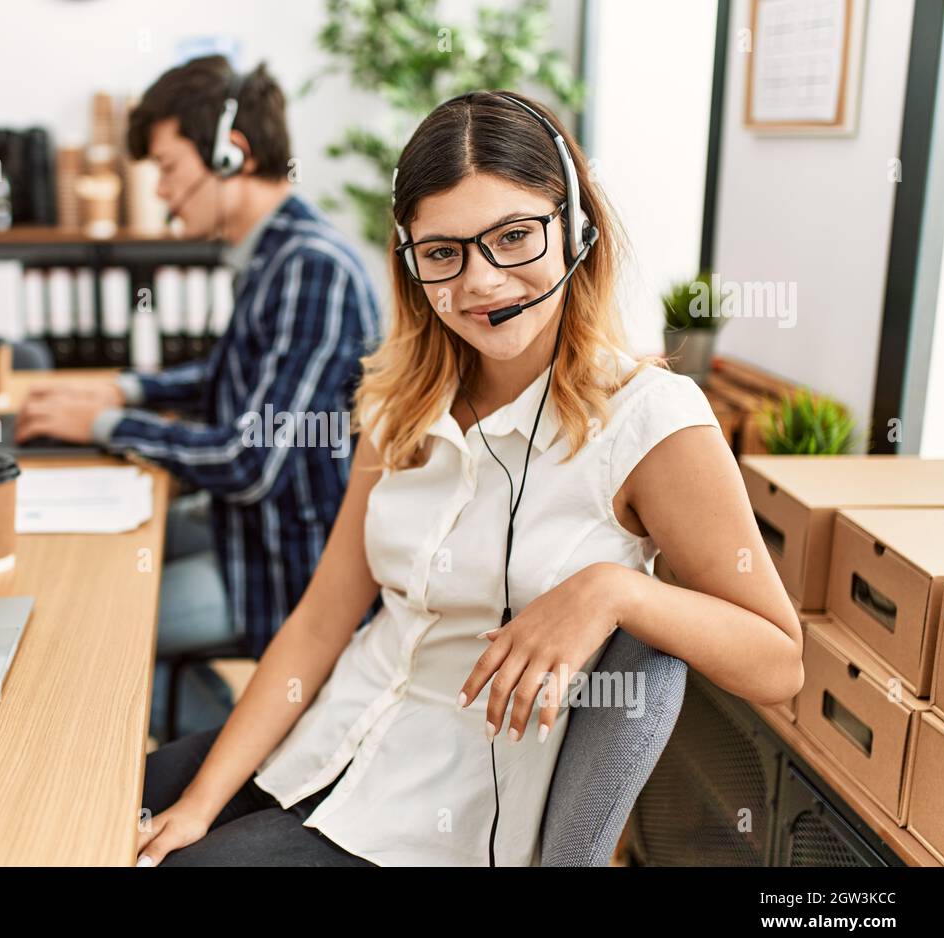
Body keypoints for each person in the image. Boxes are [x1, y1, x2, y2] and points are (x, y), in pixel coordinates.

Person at [134, 90, 804, 866]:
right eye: (444, 252)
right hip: (325, 733)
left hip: (437, 818)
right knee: (103, 807)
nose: (482, 282)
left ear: (576, 228)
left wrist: (613, 590)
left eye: (514, 237)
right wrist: (200, 803)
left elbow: (779, 663)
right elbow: (320, 624)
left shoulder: (651, 421)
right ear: (411, 260)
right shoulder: (400, 402)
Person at [15, 56, 380, 738]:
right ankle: (233, 740)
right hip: (247, 532)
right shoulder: (275, 257)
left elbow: (248, 460)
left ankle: (255, 767)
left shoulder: (311, 270)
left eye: (168, 167)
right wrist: (125, 388)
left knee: (87, 640)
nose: (163, 192)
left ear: (229, 153)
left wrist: (106, 423)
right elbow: (227, 377)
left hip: (283, 566)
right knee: (89, 567)